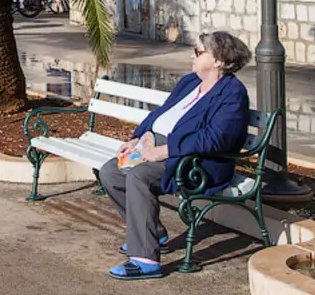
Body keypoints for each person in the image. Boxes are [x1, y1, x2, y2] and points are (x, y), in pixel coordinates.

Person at [98, 31, 252, 281]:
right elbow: (161, 113)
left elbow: (216, 139)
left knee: (139, 177)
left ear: (218, 61)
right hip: (163, 150)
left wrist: (165, 150)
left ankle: (146, 259)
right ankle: (154, 234)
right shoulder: (190, 82)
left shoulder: (232, 94)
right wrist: (136, 138)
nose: (192, 55)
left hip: (198, 163)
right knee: (110, 172)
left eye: (199, 52)